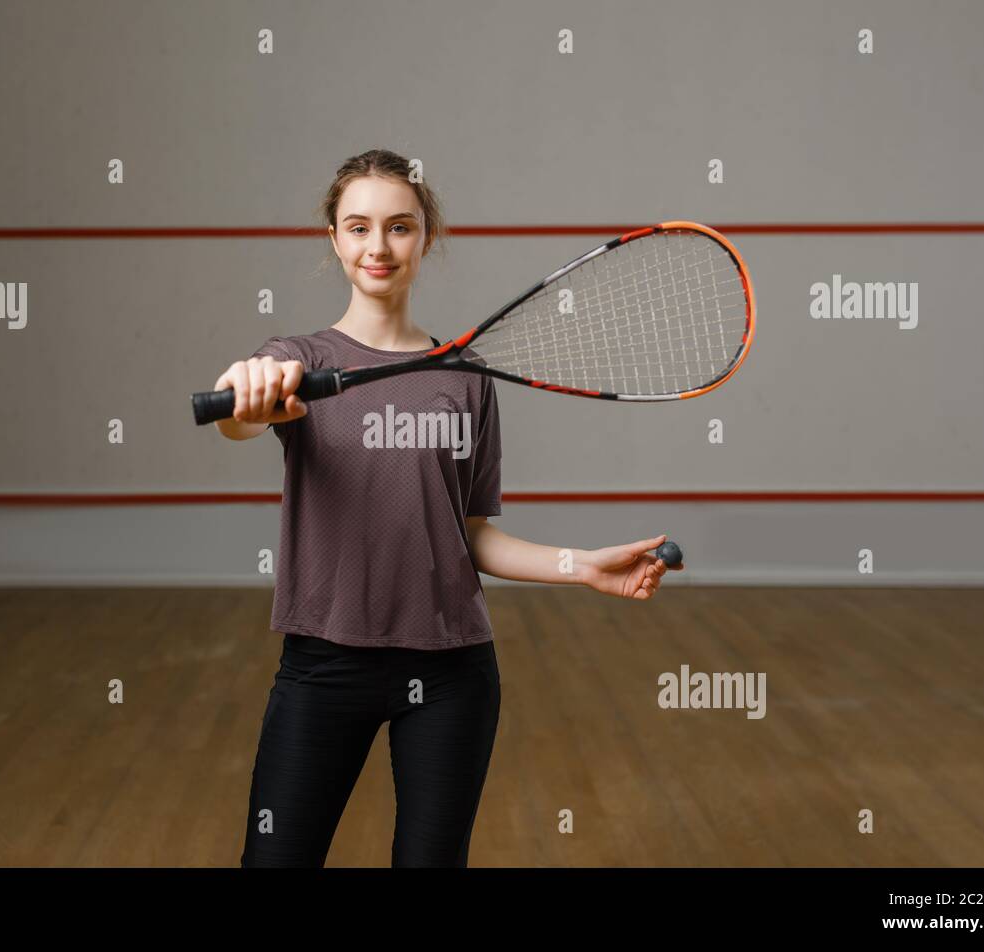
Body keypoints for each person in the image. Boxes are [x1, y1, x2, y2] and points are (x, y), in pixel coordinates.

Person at [214, 148, 677, 867]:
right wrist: (246, 391)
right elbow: (238, 417)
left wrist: (581, 565)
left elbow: (472, 538)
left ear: (425, 236)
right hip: (324, 666)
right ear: (333, 238)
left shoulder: (464, 379)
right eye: (358, 226)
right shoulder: (295, 359)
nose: (378, 245)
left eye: (399, 227)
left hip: (454, 673)